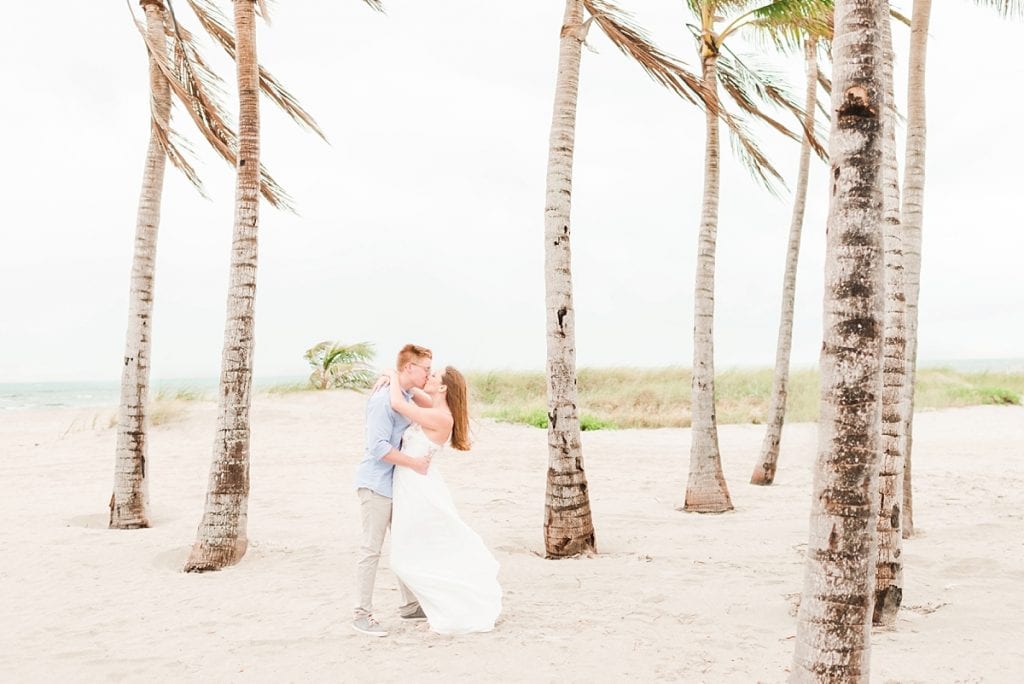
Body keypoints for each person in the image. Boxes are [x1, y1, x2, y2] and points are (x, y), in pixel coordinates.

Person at [383, 364, 503, 635]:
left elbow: (397, 402)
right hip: (411, 483)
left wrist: (391, 374)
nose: (429, 376)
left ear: (443, 387)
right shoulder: (433, 405)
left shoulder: (441, 417)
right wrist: (404, 378)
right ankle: (440, 606)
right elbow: (410, 391)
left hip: (418, 487)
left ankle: (449, 607)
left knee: (406, 557)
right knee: (418, 549)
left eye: (433, 375)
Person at [352, 343, 434, 637]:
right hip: (376, 484)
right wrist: (413, 463)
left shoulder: (406, 394)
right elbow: (377, 447)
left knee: (403, 542)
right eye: (425, 368)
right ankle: (361, 613)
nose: (429, 373)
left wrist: (390, 372)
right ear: (409, 367)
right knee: (371, 549)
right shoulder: (382, 399)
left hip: (396, 483)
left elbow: (431, 402)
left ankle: (410, 605)